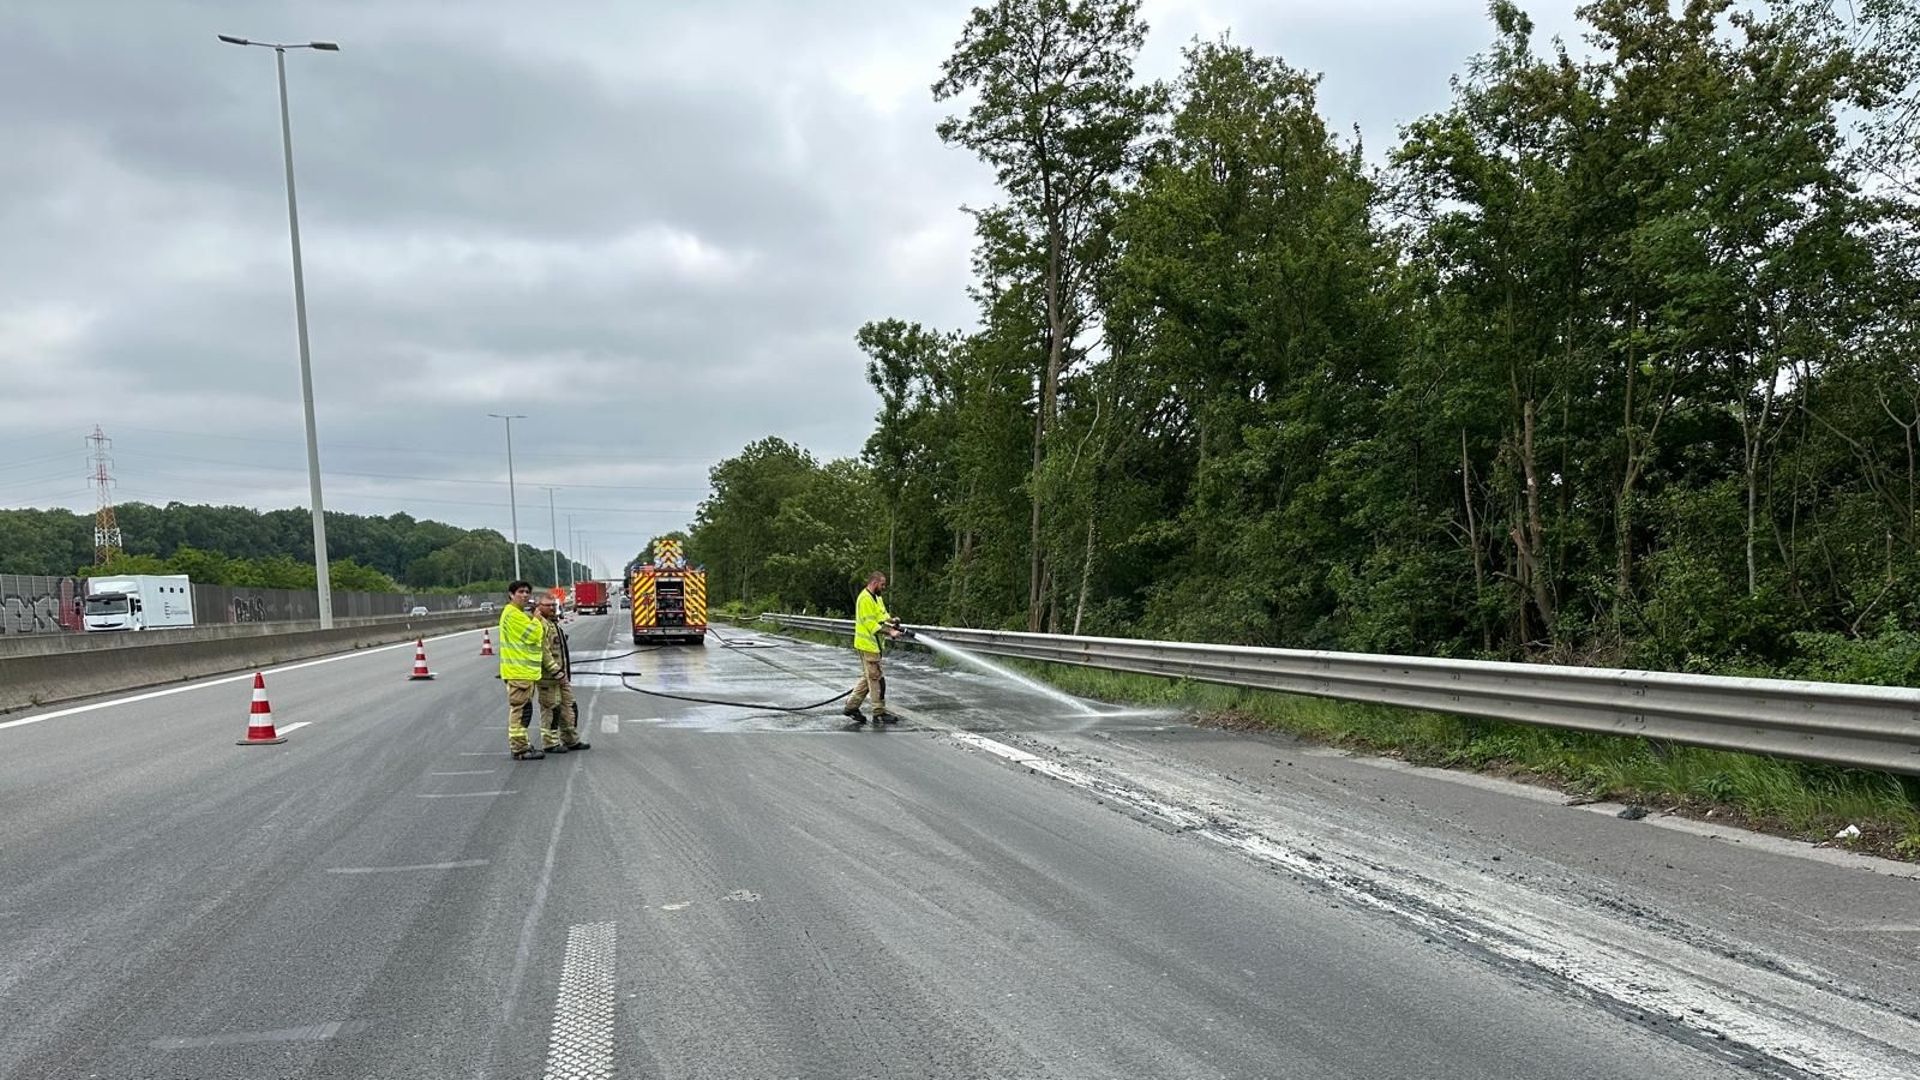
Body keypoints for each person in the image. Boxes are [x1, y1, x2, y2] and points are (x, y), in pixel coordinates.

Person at [843, 570, 903, 725]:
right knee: (876, 680)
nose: (883, 587)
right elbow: (871, 625)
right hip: (867, 646)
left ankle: (851, 707)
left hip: (874, 646)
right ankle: (879, 713)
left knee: (868, 678)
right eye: (882, 584)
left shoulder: (876, 597)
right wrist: (890, 632)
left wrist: (892, 620)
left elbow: (881, 616)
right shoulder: (864, 599)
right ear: (874, 583)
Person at [535, 594, 590, 754]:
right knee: (551, 709)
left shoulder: (553, 624)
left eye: (554, 605)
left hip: (561, 676)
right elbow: (543, 652)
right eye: (548, 605)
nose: (552, 608)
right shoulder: (540, 624)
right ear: (539, 606)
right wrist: (555, 671)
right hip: (549, 677)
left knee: (569, 707)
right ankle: (550, 743)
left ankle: (571, 739)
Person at [498, 580, 545, 760]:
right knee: (520, 711)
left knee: (525, 710)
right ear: (511, 594)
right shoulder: (513, 615)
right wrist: (537, 620)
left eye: (527, 592)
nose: (525, 595)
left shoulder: (516, 613)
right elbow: (532, 636)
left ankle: (522, 744)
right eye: (520, 592)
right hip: (519, 672)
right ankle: (519, 748)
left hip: (522, 672)